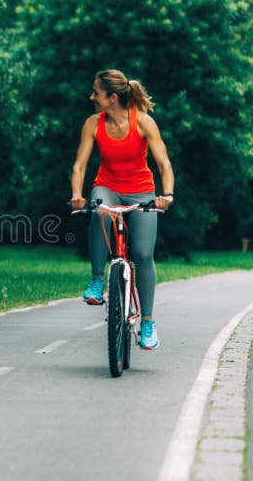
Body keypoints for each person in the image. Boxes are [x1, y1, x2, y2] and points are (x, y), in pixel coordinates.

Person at [69, 69, 174, 350]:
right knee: (100, 211)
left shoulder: (144, 123)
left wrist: (167, 195)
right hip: (108, 186)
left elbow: (163, 164)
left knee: (142, 253)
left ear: (112, 97)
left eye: (96, 93)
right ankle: (96, 281)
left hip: (141, 190)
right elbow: (80, 165)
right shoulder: (93, 124)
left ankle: (148, 323)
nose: (91, 97)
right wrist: (77, 195)